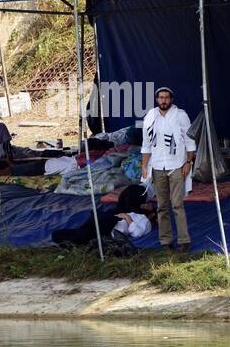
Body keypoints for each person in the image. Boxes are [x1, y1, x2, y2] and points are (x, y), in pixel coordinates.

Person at [140, 86, 196, 252]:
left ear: (171, 99)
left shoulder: (180, 115)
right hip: (157, 166)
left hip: (176, 165)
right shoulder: (151, 116)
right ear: (157, 100)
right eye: (160, 97)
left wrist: (189, 162)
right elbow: (146, 144)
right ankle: (166, 242)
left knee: (177, 204)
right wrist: (144, 165)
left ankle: (184, 241)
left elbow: (190, 141)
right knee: (162, 206)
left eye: (166, 97)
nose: (163, 100)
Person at [51, 183, 153, 247]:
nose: (149, 205)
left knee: (98, 225)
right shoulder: (125, 208)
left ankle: (79, 241)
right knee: (58, 234)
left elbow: (137, 233)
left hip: (111, 227)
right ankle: (78, 239)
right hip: (104, 222)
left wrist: (128, 218)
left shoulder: (144, 220)